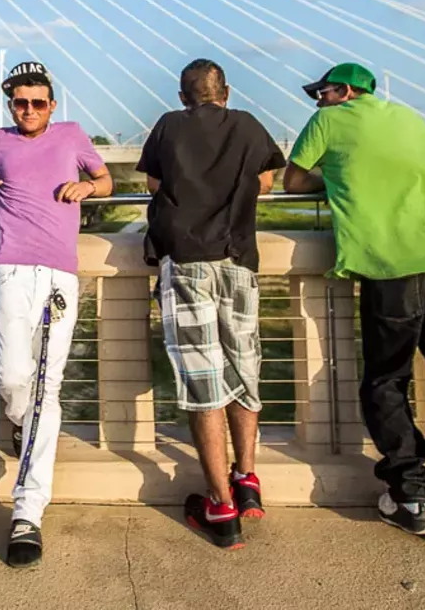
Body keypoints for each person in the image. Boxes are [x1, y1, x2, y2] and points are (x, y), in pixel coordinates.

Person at [283, 63, 425, 551]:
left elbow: (291, 181)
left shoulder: (330, 121)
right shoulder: (413, 119)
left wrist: (338, 180)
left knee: (387, 382)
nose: (317, 101)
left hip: (391, 271)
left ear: (346, 92)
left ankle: (411, 495)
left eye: (322, 92)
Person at [137, 59, 285, 550]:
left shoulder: (168, 127)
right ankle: (247, 480)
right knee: (245, 366)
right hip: (239, 258)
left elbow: (155, 185)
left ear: (183, 95)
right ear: (226, 91)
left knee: (204, 378)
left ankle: (220, 506)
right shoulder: (247, 124)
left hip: (187, 260)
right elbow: (267, 181)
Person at [0, 61, 112, 567]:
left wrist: (88, 188)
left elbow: (107, 179)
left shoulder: (73, 135)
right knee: (11, 377)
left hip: (57, 276)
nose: (27, 110)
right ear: (11, 105)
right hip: (9, 267)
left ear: (53, 105)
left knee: (46, 386)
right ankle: (20, 422)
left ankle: (27, 512)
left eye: (37, 102)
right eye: (19, 102)